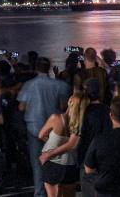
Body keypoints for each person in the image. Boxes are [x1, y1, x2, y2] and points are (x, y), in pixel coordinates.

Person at [18, 58, 71, 197]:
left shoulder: (28, 85)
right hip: (54, 129)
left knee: (37, 163)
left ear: (36, 68)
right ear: (49, 68)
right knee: (55, 160)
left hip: (34, 128)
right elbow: (63, 106)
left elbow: (21, 106)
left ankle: (39, 192)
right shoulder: (60, 85)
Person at [38, 92, 85, 197]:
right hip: (70, 164)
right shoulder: (81, 124)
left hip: (52, 162)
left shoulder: (56, 118)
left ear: (70, 102)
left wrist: (53, 142)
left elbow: (41, 135)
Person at [77, 79, 112, 197]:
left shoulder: (82, 112)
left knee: (87, 190)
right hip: (103, 158)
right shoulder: (107, 110)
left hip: (86, 156)